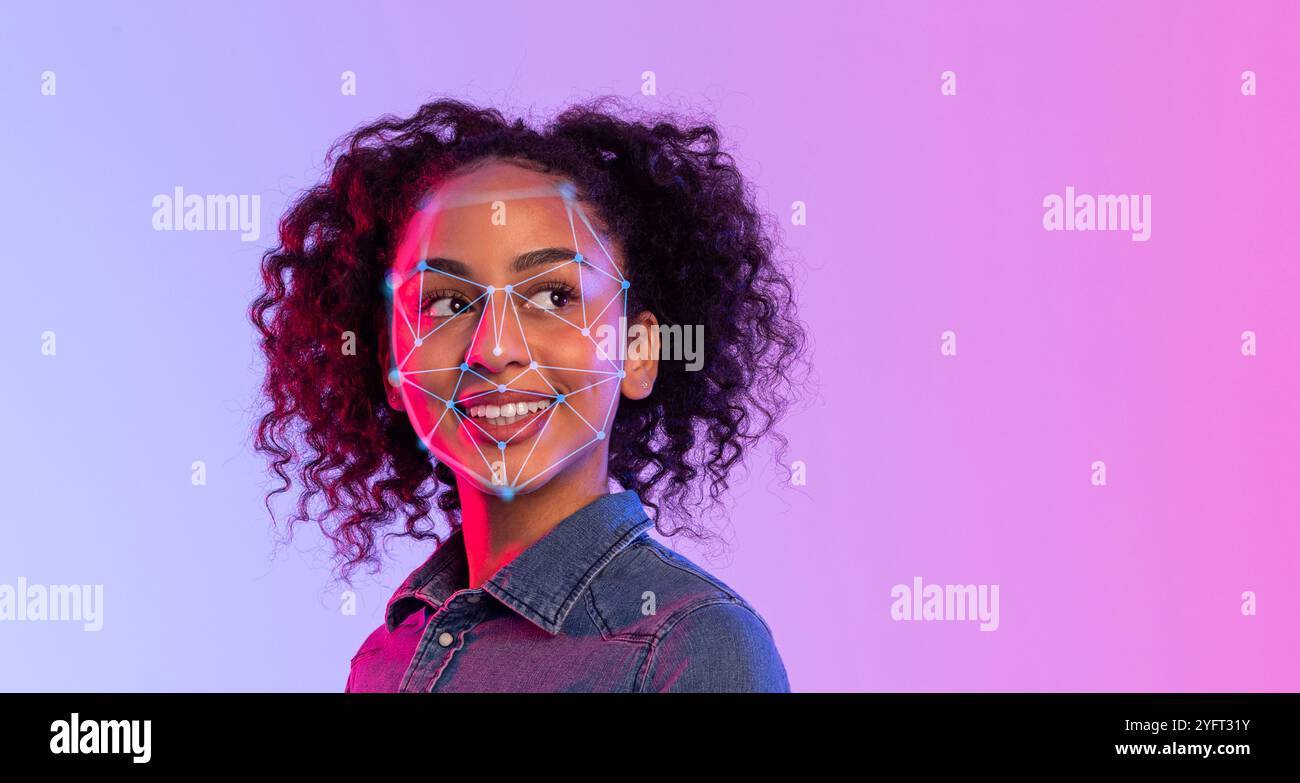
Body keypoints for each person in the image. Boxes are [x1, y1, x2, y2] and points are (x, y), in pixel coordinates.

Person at [249, 96, 810, 692]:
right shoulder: (390, 652)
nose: (493, 349)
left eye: (551, 297)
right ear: (392, 365)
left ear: (639, 352)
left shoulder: (691, 646)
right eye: (447, 303)